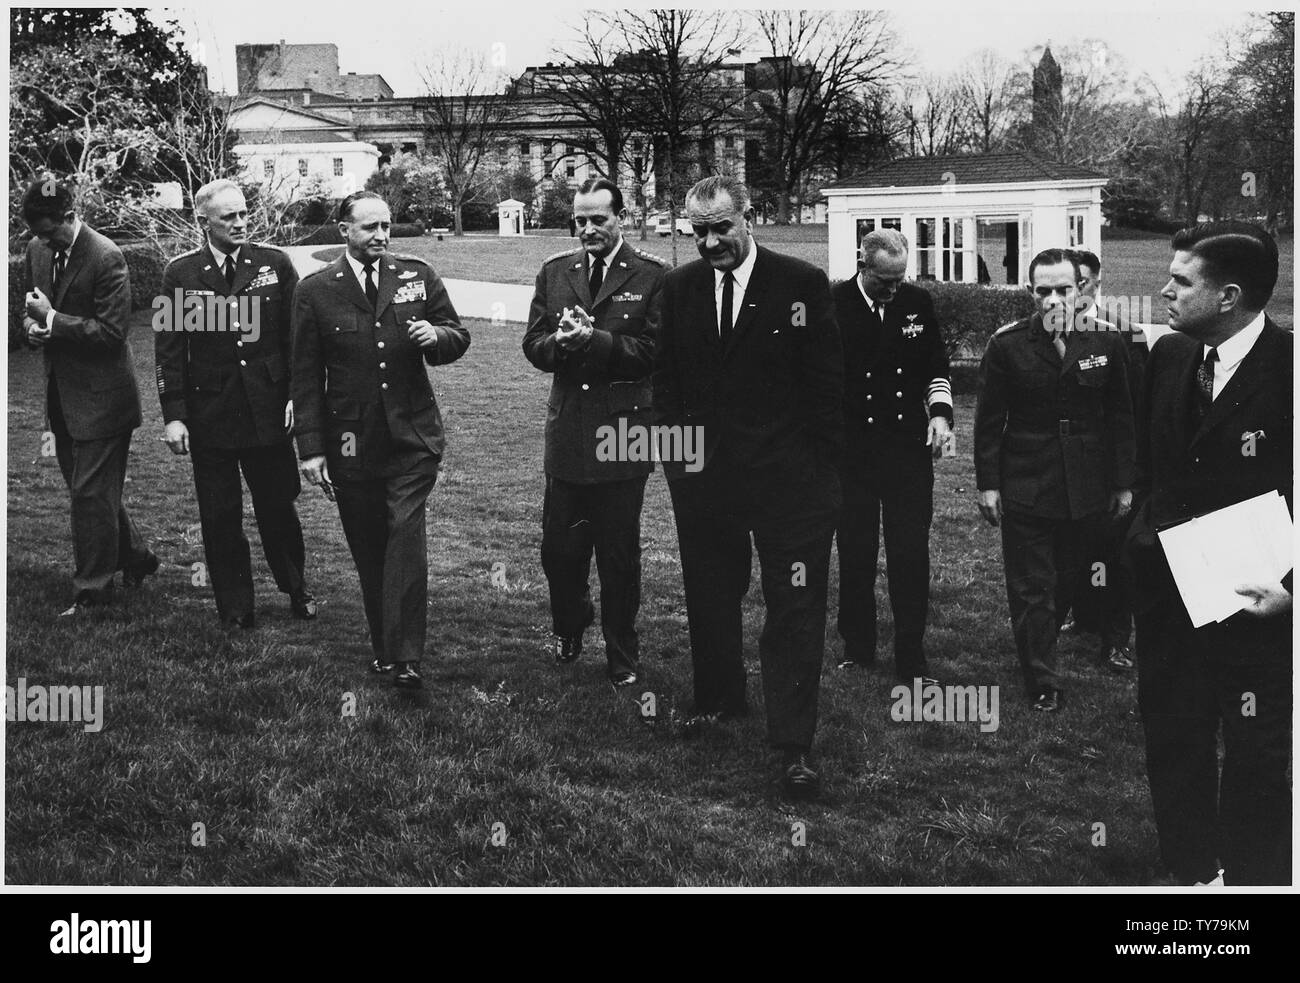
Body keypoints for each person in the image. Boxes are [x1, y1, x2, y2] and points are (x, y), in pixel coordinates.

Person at [653, 175, 843, 799]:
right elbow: (669, 389)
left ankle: (794, 744)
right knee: (711, 594)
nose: (709, 242)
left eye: (721, 229)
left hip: (792, 487)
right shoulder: (677, 290)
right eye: (698, 231)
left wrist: (817, 476)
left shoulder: (801, 285)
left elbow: (827, 390)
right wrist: (681, 469)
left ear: (749, 218)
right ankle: (718, 699)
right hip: (707, 486)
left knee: (794, 609)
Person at [1125, 221, 1291, 885]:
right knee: (1173, 736)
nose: (1162, 290)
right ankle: (1193, 870)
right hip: (1167, 594)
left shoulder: (1290, 372)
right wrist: (1140, 536)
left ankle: (1254, 879)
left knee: (1255, 750)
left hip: (1257, 606)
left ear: (1227, 296)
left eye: (1181, 281)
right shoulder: (1170, 356)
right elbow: (1151, 463)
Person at [291, 191, 470, 689]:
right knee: (370, 545)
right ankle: (384, 647)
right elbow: (304, 376)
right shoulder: (315, 290)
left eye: (386, 226)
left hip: (412, 438)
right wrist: (311, 449)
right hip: (350, 442)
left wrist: (437, 338)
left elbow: (457, 334)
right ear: (344, 230)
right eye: (369, 227)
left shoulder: (417, 275)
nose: (381, 236)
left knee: (405, 537)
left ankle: (407, 656)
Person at [973, 248, 1134, 712]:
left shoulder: (1106, 341)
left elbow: (1121, 417)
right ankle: (1041, 677)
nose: (1054, 300)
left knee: (1068, 577)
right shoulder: (1008, 344)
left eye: (1064, 289)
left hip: (1085, 483)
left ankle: (1045, 643)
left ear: (1081, 289)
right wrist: (989, 484)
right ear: (1031, 293)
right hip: (1027, 479)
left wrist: (1122, 484)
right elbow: (988, 422)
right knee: (1031, 585)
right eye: (1043, 291)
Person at [522, 178, 665, 687]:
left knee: (618, 555)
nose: (587, 229)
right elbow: (533, 344)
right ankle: (571, 618)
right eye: (580, 220)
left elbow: (655, 354)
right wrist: (561, 345)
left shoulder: (652, 275)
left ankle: (622, 653)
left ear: (622, 217)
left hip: (625, 435)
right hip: (568, 435)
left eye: (598, 219)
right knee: (559, 551)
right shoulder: (555, 272)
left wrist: (597, 341)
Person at [156, 179, 315, 628]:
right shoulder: (181, 274)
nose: (241, 222)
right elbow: (168, 350)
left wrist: (293, 397)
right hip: (212, 417)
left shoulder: (274, 264)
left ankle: (295, 586)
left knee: (278, 505)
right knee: (220, 514)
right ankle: (235, 606)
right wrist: (174, 415)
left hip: (268, 411)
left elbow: (296, 340)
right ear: (203, 221)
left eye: (244, 213)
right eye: (229, 217)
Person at [20, 178, 158, 616]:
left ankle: (92, 593)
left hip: (105, 399)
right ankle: (137, 557)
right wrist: (33, 329)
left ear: (70, 216)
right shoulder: (37, 250)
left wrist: (54, 319)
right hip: (61, 395)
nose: (42, 240)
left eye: (49, 231)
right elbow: (36, 310)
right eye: (37, 234)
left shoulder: (106, 256)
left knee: (88, 494)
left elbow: (114, 333)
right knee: (92, 492)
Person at [832, 229, 951, 682]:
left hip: (906, 452)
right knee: (856, 552)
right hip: (853, 454)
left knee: (910, 553)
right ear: (863, 267)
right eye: (886, 280)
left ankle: (911, 654)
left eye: (901, 279)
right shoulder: (833, 304)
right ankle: (857, 646)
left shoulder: (917, 302)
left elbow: (935, 365)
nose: (894, 288)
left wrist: (940, 415)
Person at [1057, 248, 1140, 672]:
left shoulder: (1124, 333)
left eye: (1082, 283)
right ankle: (1084, 617)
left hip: (1111, 466)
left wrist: (1124, 475)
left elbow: (1133, 408)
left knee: (1113, 555)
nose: (1074, 293)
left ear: (1094, 284)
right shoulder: (1056, 335)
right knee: (1079, 551)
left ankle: (1115, 640)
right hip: (1071, 470)